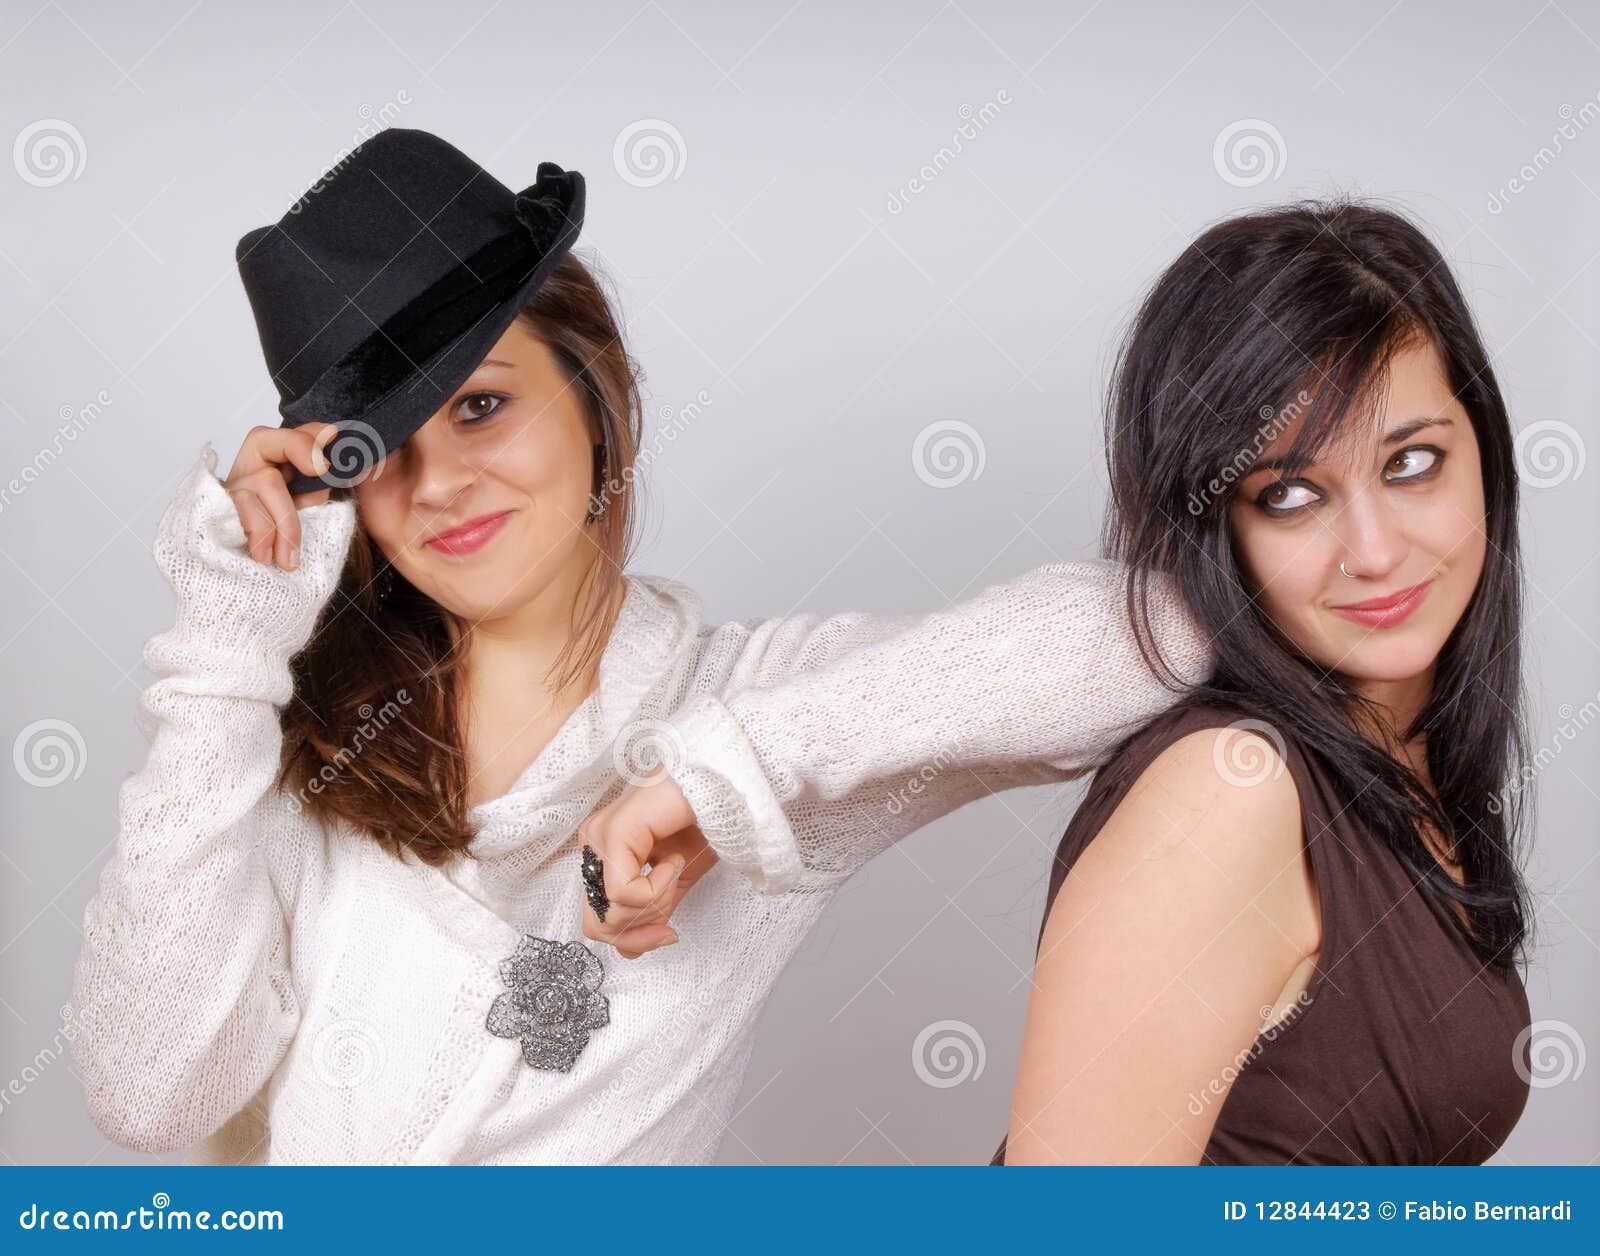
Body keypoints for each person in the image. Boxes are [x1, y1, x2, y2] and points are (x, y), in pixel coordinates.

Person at [67, 130, 1211, 1165]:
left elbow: (1155, 631)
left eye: (479, 407)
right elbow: (151, 1096)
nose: (442, 483)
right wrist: (220, 659)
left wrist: (723, 775)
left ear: (592, 391)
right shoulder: (285, 750)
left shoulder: (742, 707)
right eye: (380, 452)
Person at [982, 199, 1533, 1164]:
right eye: (1290, 495)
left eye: (1412, 463)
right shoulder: (1230, 791)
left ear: (1485, 457)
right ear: (1215, 530)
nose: (1372, 552)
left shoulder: (1399, 760)